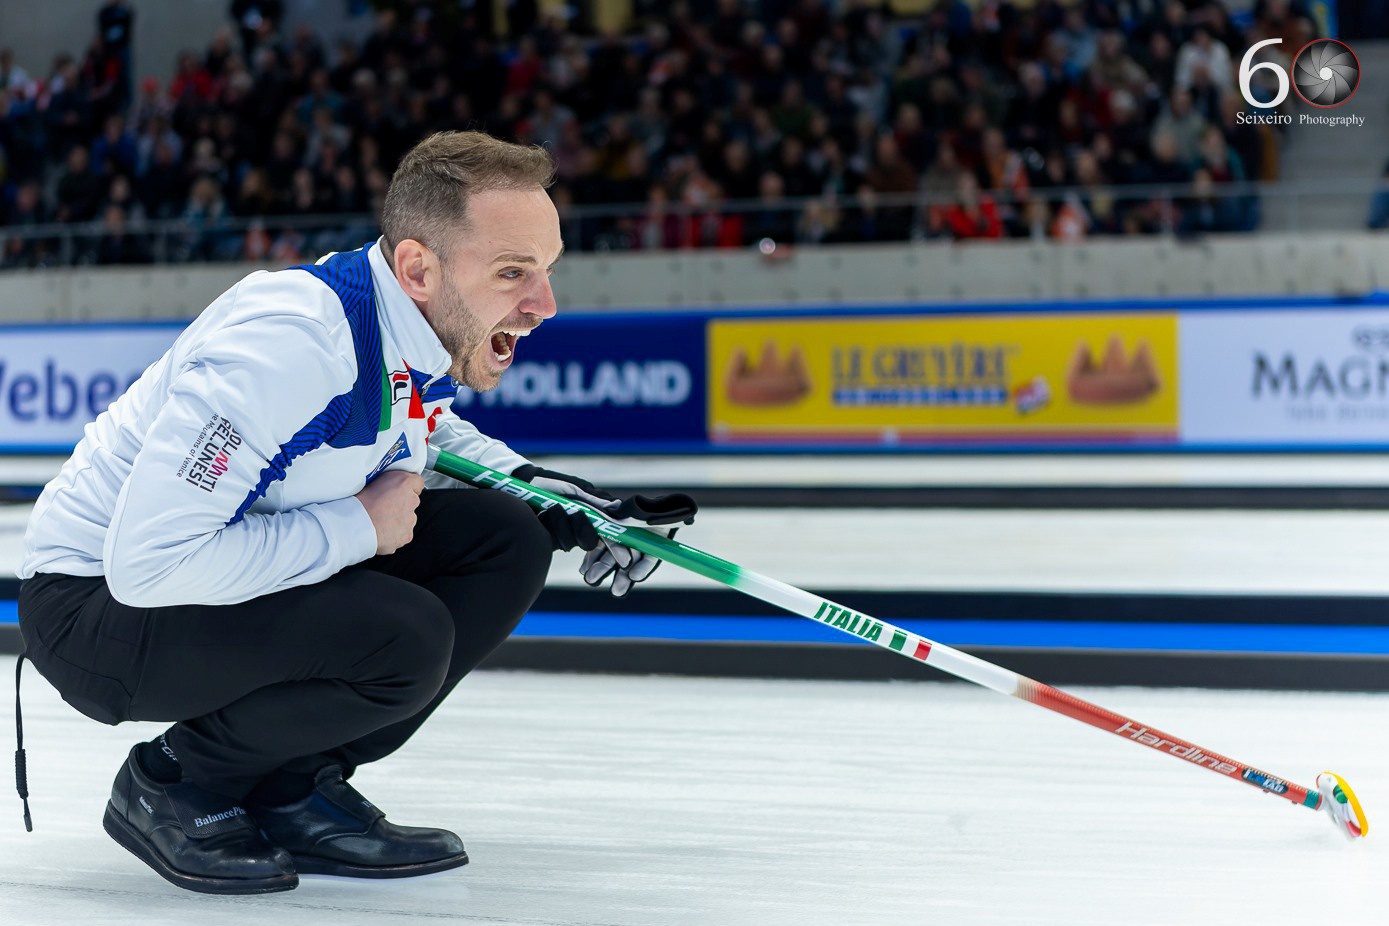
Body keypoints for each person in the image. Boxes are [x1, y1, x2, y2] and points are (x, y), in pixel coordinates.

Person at [16, 131, 696, 895]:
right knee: (400, 637)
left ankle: (290, 788)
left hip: (192, 581)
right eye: (513, 273)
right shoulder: (288, 347)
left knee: (505, 539)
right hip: (95, 612)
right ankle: (175, 783)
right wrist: (356, 530)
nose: (543, 306)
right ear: (418, 268)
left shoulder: (401, 324)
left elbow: (426, 425)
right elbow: (148, 566)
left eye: (546, 272)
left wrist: (544, 491)